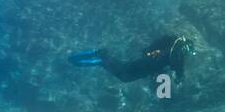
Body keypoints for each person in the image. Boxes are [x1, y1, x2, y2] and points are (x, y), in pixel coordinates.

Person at [68, 29, 196, 83]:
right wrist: (179, 76)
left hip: (147, 66)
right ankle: (100, 55)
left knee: (124, 75)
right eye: (189, 51)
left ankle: (101, 59)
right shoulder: (176, 51)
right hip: (146, 64)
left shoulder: (174, 50)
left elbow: (169, 60)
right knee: (123, 71)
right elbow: (174, 59)